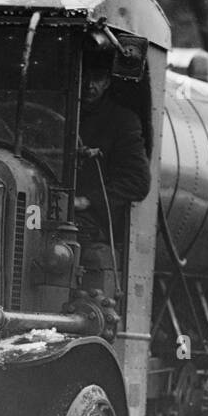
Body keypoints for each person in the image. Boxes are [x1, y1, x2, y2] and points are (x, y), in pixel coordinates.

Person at [75, 46, 151, 297]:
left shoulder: (122, 121)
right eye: (83, 75)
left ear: (107, 81)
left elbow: (138, 181)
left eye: (96, 78)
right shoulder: (58, 112)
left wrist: (89, 200)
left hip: (91, 219)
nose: (88, 85)